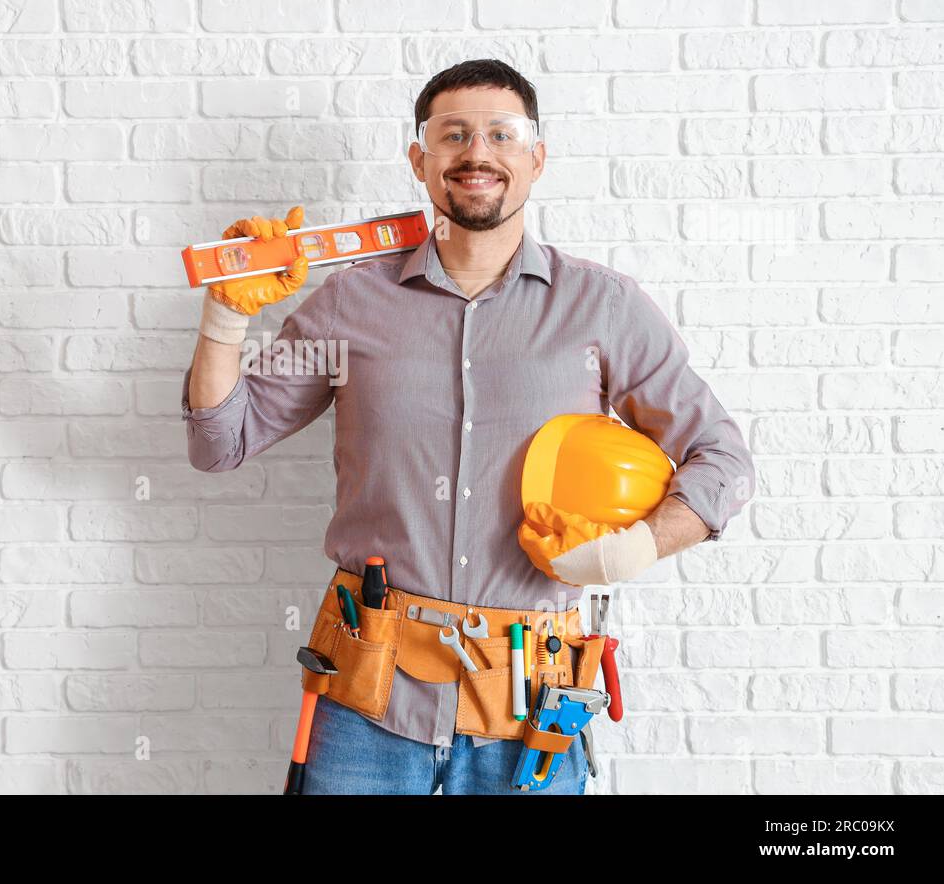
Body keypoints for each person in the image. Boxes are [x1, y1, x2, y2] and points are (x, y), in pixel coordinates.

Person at [181, 58, 756, 794]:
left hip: (530, 719)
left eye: (501, 134)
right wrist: (228, 317)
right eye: (452, 135)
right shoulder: (350, 305)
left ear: (535, 159)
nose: (476, 152)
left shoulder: (603, 309)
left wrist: (633, 549)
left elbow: (724, 461)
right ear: (421, 160)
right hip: (366, 709)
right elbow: (219, 443)